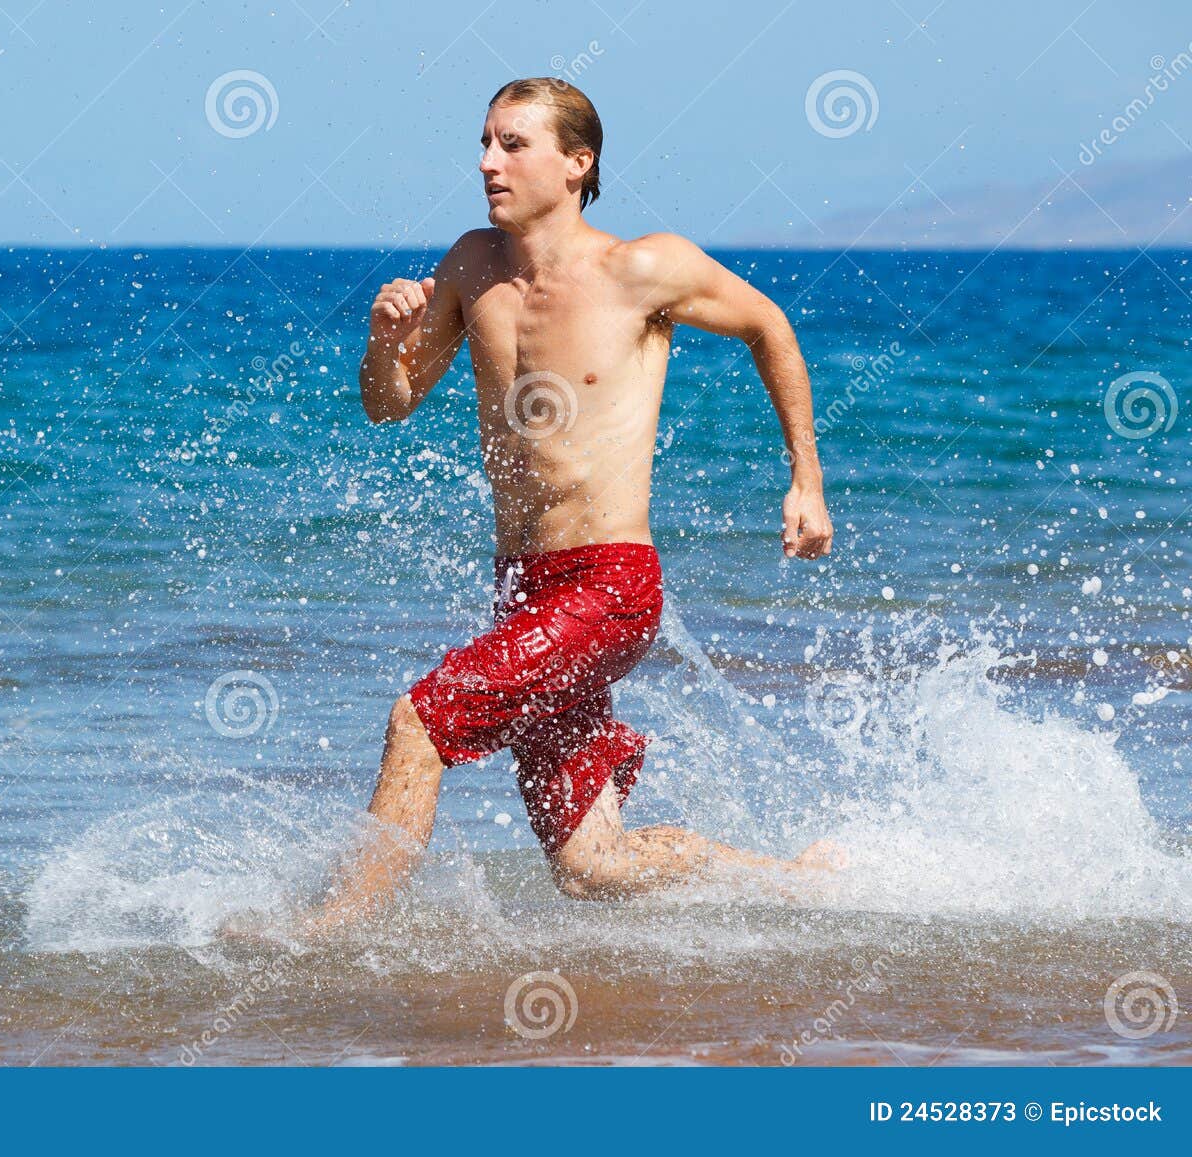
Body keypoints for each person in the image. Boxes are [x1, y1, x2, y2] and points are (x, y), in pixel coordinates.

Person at [296, 78, 836, 936]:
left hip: (610, 585)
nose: (486, 163)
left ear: (578, 163)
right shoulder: (473, 265)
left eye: (512, 145)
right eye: (484, 142)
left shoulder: (644, 268)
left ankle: (328, 934)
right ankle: (800, 882)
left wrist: (805, 477)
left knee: (422, 721)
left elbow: (771, 326)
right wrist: (381, 341)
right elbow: (390, 402)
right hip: (525, 588)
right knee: (589, 866)